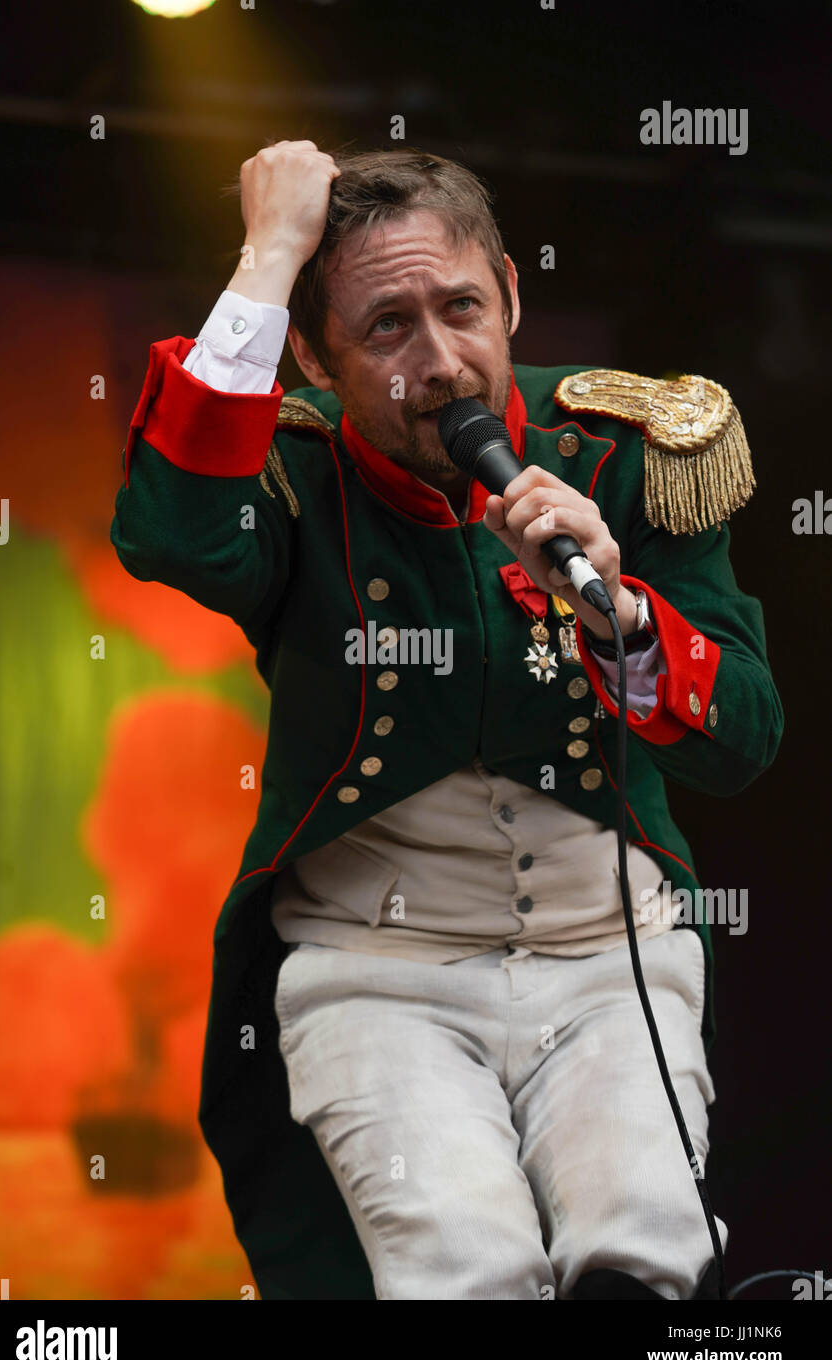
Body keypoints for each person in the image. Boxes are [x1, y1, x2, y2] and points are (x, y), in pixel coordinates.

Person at [110, 141, 783, 1301]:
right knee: (465, 1272)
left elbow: (744, 736)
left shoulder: (628, 451)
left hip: (602, 963)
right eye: (384, 328)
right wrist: (270, 250)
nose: (440, 362)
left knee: (644, 1258)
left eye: (462, 308)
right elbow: (171, 529)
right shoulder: (289, 467)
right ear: (316, 357)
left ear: (512, 293)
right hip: (377, 975)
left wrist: (618, 612)